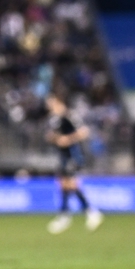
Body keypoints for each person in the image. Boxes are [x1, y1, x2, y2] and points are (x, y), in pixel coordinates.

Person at [45, 94, 103, 234]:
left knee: (70, 182)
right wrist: (55, 138)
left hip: (74, 154)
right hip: (63, 155)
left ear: (59, 103)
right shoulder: (54, 119)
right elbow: (52, 136)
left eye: (51, 104)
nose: (49, 107)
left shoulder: (70, 115)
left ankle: (87, 212)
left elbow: (84, 132)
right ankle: (69, 214)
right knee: (64, 182)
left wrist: (68, 139)